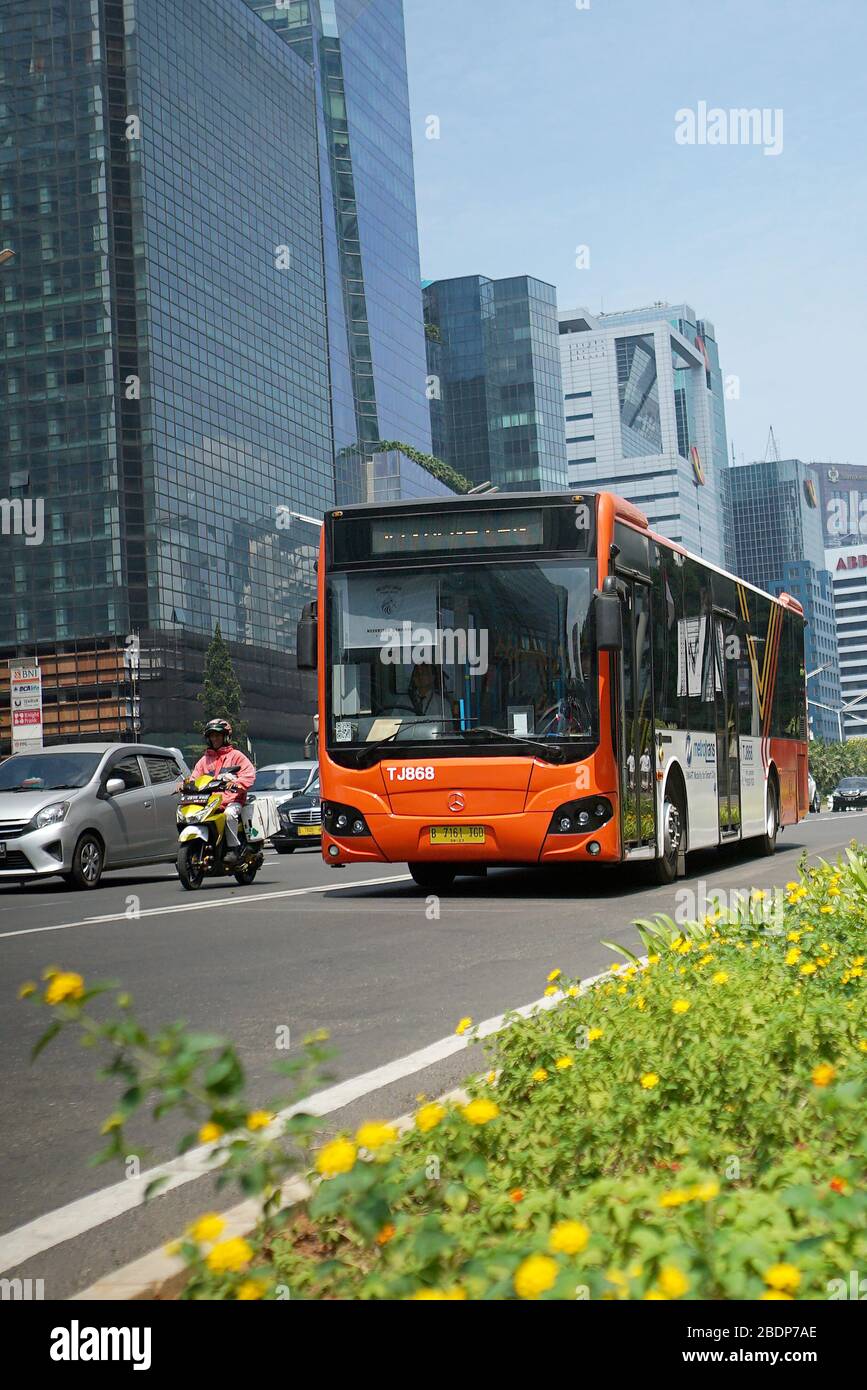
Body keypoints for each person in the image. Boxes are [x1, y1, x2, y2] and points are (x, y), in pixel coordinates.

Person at [179, 719, 255, 867]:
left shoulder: (237, 756)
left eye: (218, 735)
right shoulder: (204, 760)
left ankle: (232, 849)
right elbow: (195, 778)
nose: (215, 739)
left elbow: (249, 774)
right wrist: (185, 785)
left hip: (232, 800)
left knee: (229, 815)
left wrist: (237, 783)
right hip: (209, 802)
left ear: (226, 736)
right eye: (212, 736)